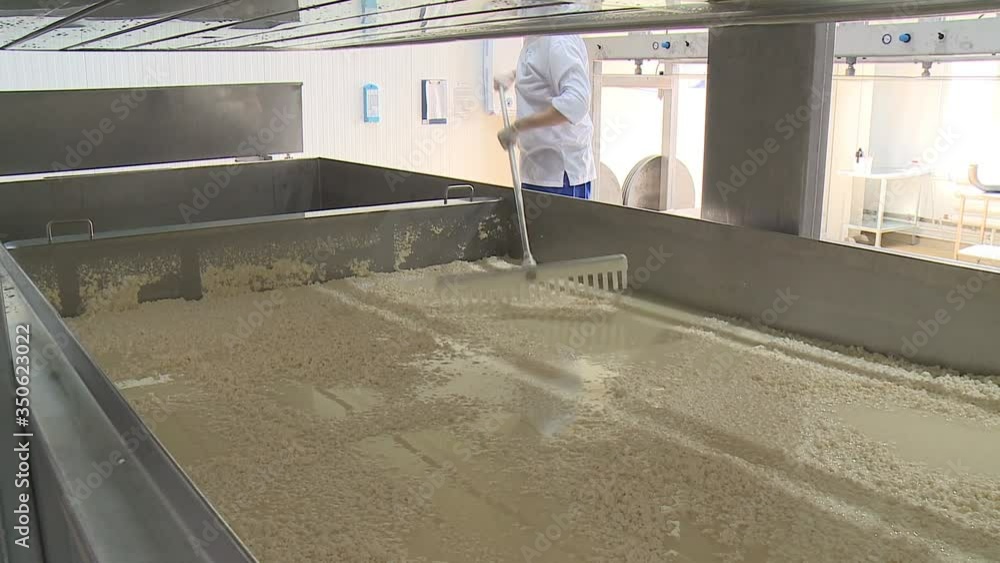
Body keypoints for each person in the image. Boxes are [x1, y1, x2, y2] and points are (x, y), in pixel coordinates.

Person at [495, 34, 596, 200]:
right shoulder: (536, 36)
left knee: (560, 226)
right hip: (535, 168)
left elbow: (576, 103)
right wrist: (515, 74)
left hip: (560, 175)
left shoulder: (558, 41)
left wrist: (517, 127)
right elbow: (544, 69)